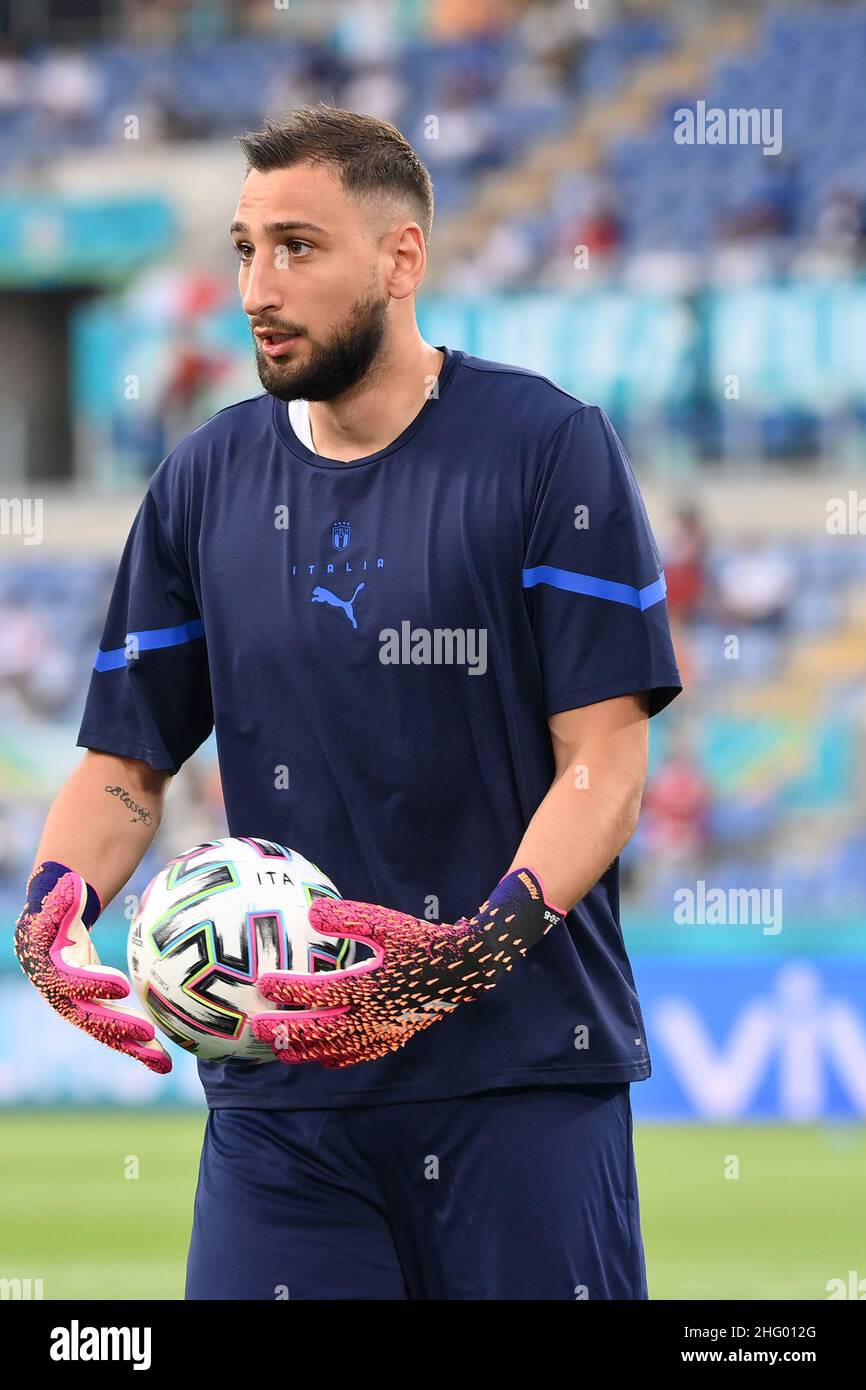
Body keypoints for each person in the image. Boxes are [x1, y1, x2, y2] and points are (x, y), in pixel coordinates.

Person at [15, 104, 681, 1301]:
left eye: (297, 247)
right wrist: (51, 913)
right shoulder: (201, 478)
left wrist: (459, 959)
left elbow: (605, 765)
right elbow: (125, 765)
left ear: (400, 258)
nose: (256, 285)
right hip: (284, 1104)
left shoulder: (547, 449)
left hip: (519, 1079)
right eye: (242, 247)